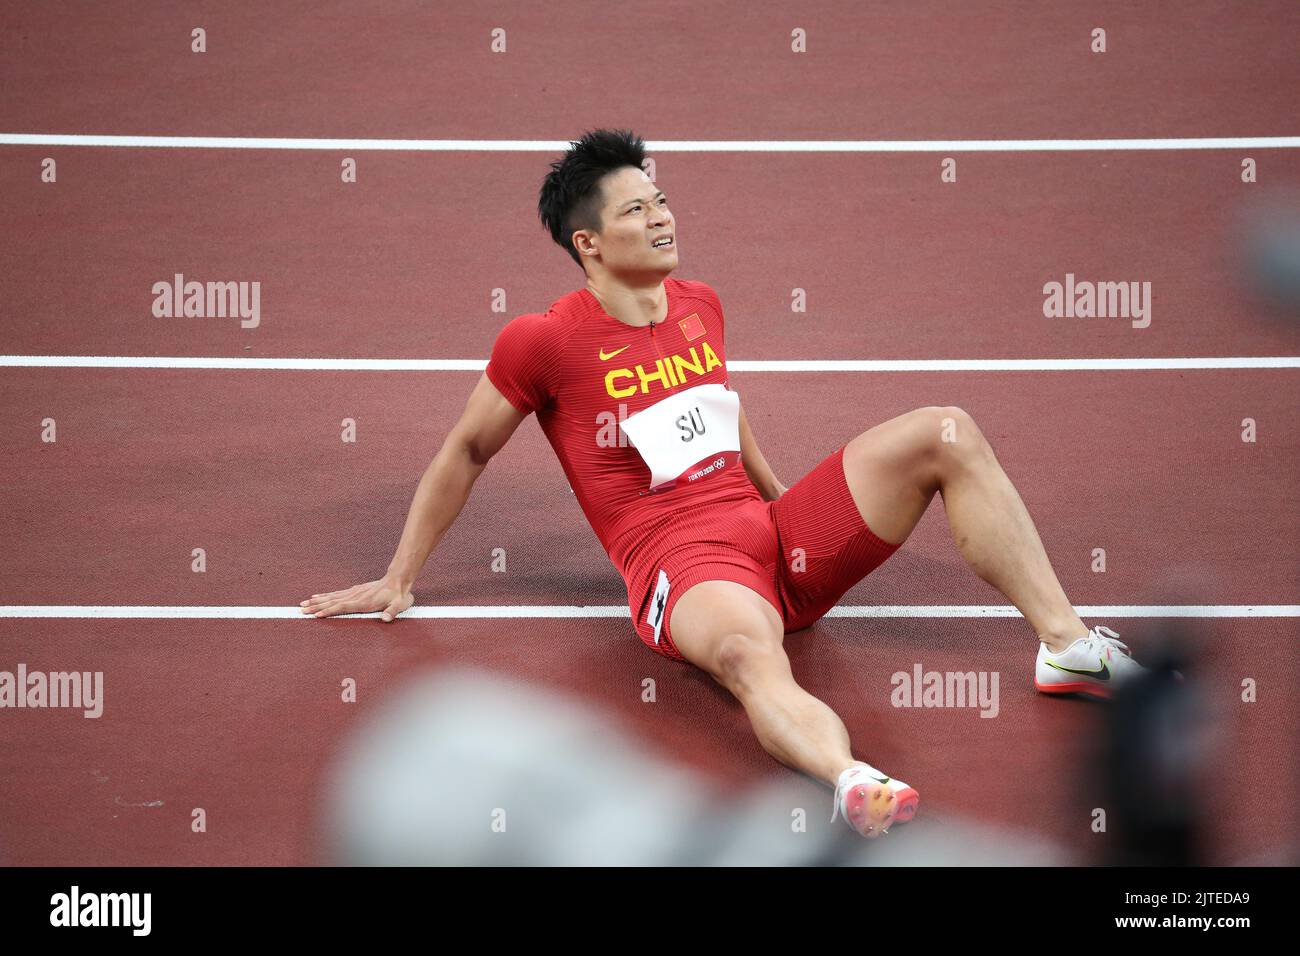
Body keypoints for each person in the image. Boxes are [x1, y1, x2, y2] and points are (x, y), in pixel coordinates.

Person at [302, 128, 1149, 838]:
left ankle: (1068, 647)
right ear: (588, 242)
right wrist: (400, 575)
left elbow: (720, 413)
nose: (662, 217)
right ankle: (853, 781)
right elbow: (465, 452)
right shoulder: (543, 340)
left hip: (773, 538)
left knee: (945, 431)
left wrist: (786, 506)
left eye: (660, 200)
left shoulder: (700, 302)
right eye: (636, 210)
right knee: (753, 657)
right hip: (686, 569)